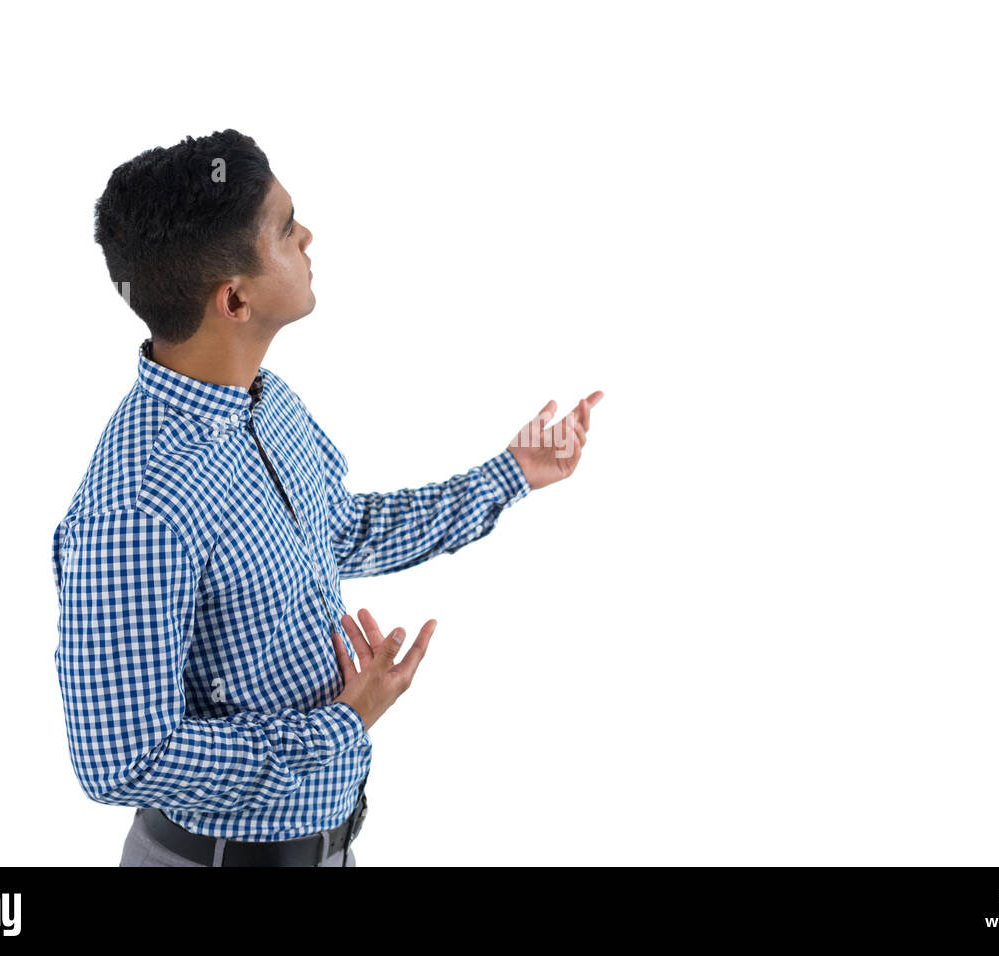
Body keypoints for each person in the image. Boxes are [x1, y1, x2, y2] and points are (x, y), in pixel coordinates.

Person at [51, 129, 602, 866]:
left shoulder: (264, 405)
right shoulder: (139, 507)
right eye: (284, 226)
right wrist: (346, 723)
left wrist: (512, 474)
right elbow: (120, 759)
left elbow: (343, 531)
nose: (308, 236)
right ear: (234, 297)